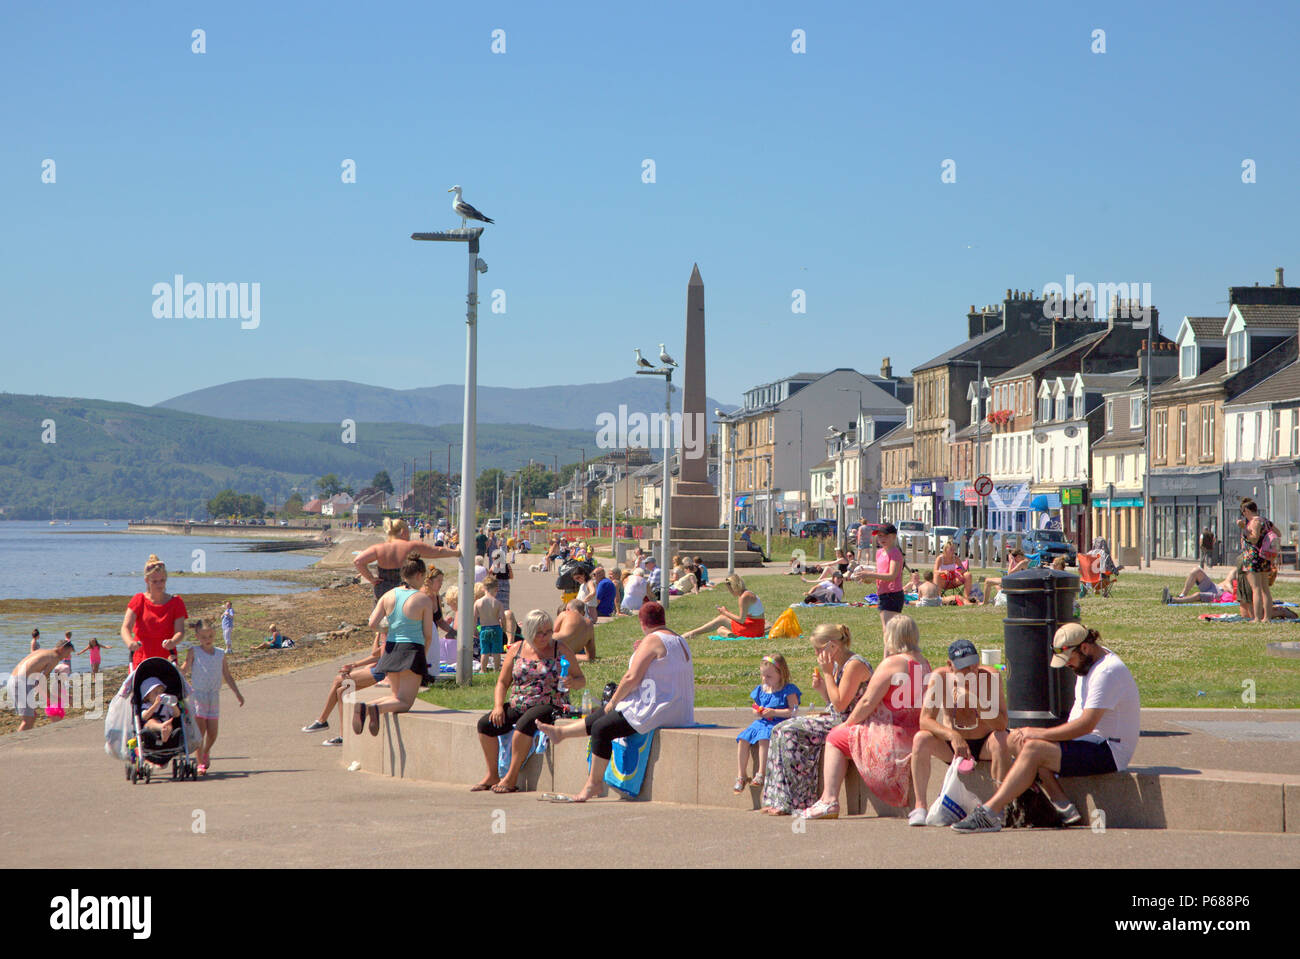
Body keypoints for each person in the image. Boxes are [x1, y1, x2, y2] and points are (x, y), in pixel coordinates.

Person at [952, 623, 1140, 833]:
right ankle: (1062, 803)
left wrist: (1038, 733)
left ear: (1085, 648)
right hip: (1087, 742)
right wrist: (1034, 735)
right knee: (1016, 738)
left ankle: (990, 813)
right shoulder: (1088, 664)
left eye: (1069, 659)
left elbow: (1086, 725)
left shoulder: (1107, 671)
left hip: (1109, 750)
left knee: (1033, 748)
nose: (1068, 665)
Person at [539, 601, 694, 803]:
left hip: (661, 709)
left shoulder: (653, 640)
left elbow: (631, 678)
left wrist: (613, 700)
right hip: (679, 708)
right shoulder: (677, 639)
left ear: (642, 622)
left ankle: (593, 784)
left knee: (602, 727)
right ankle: (561, 733)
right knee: (605, 713)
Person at [799, 615, 931, 819]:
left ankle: (829, 799)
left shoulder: (892, 663)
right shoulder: (923, 663)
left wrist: (848, 724)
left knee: (835, 737)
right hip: (915, 730)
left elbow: (868, 701)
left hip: (891, 732)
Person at [760, 624, 873, 816]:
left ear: (833, 645)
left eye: (819, 648)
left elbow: (841, 706)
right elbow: (834, 701)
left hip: (851, 722)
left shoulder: (854, 664)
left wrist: (827, 673)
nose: (816, 653)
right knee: (778, 729)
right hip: (837, 718)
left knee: (790, 731)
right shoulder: (838, 664)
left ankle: (801, 799)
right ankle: (779, 799)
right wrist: (822, 687)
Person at [473, 609, 585, 794]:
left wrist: (573, 682)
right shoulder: (516, 649)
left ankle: (511, 777)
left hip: (550, 702)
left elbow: (581, 679)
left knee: (525, 724)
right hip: (520, 702)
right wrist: (498, 706)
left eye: (548, 632)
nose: (545, 637)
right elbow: (502, 682)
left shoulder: (560, 649)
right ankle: (493, 774)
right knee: (486, 724)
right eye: (540, 633)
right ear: (529, 632)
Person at [909, 639, 1010, 825]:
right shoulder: (940, 678)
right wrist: (952, 735)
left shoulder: (990, 677)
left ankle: (997, 808)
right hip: (953, 746)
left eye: (974, 666)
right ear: (950, 665)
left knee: (1002, 738)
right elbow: (925, 720)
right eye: (964, 668)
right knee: (921, 738)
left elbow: (1002, 724)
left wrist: (978, 703)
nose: (971, 672)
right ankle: (919, 806)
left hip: (984, 742)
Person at [353, 555, 436, 736]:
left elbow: (372, 623)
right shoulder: (423, 599)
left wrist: (389, 627)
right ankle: (373, 709)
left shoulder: (388, 595)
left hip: (391, 649)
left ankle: (367, 708)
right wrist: (423, 655)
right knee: (405, 703)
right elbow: (428, 635)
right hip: (411, 650)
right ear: (420, 575)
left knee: (395, 698)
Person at [181, 619, 245, 775]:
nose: (207, 640)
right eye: (203, 637)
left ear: (214, 634)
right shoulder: (194, 651)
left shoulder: (220, 653)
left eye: (210, 636)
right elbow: (184, 669)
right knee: (200, 730)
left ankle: (206, 751)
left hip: (214, 695)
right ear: (197, 637)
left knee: (213, 731)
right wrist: (172, 668)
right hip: (199, 695)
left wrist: (237, 692)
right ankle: (199, 762)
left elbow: (227, 675)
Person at [735, 654, 801, 793]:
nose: (765, 679)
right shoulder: (762, 689)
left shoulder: (788, 689)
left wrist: (774, 712)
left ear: (781, 674)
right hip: (763, 721)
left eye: (769, 677)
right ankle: (741, 775)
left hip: (779, 721)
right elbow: (755, 707)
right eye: (763, 676)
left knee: (764, 739)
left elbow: (793, 711)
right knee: (743, 739)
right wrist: (758, 712)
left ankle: (761, 773)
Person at [353, 517, 460, 602]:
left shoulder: (379, 548)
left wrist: (371, 578)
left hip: (383, 591)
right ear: (403, 531)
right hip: (405, 591)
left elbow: (358, 561)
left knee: (383, 624)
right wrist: (456, 552)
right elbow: (438, 551)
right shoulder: (411, 546)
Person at [120, 555, 187, 669]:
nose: (159, 584)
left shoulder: (176, 602)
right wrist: (130, 643)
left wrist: (173, 641)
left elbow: (180, 631)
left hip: (167, 659)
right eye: (155, 581)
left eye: (162, 580)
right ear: (147, 580)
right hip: (141, 659)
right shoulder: (139, 600)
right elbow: (125, 628)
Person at [7, 639, 75, 731]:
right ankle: (18, 743)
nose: (68, 656)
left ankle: (23, 742)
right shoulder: (54, 657)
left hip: (13, 679)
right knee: (28, 720)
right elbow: (41, 682)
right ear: (62, 648)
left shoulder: (43, 651)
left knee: (32, 716)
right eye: (69, 652)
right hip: (21, 682)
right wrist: (51, 698)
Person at [681, 574, 765, 639]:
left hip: (753, 629)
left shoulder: (744, 597)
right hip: (757, 628)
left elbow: (741, 620)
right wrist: (726, 613)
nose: (730, 592)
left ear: (733, 587)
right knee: (720, 629)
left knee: (721, 619)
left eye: (729, 589)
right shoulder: (747, 593)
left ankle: (692, 633)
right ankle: (732, 635)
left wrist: (725, 613)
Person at [858, 522, 906, 630]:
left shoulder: (895, 553)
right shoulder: (879, 552)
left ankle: (890, 647)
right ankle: (889, 647)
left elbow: (891, 575)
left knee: (890, 630)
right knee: (886, 629)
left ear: (893, 536)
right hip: (882, 594)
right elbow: (879, 574)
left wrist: (870, 574)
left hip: (893, 595)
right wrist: (866, 578)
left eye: (886, 535)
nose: (882, 538)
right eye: (879, 536)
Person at [1237, 498, 1278, 624]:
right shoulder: (1266, 521)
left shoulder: (1254, 522)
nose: (1244, 515)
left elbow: (1253, 539)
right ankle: (1267, 618)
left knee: (1256, 589)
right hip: (1265, 557)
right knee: (1265, 588)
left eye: (1244, 512)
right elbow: (1278, 533)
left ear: (1248, 510)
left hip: (1253, 557)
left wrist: (1245, 529)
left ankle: (1257, 618)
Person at [475, 577, 506, 673]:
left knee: (484, 651)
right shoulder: (497, 603)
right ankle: (496, 669)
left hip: (484, 629)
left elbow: (474, 618)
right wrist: (504, 628)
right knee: (496, 651)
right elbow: (502, 618)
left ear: (483, 588)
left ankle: (483, 669)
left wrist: (475, 629)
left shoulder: (478, 602)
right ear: (496, 589)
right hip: (496, 628)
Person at [1162, 567, 1235, 605]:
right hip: (1216, 587)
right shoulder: (1237, 570)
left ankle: (1172, 600)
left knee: (1198, 595)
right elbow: (1228, 582)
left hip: (1220, 595)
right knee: (1196, 571)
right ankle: (1182, 595)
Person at [139, 677, 180, 742]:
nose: (159, 695)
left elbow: (176, 714)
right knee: (151, 722)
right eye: (155, 693)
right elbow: (144, 717)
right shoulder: (146, 705)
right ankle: (161, 727)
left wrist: (173, 705)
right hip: (151, 730)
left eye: (161, 692)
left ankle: (165, 738)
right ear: (147, 697)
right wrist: (155, 704)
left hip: (165, 725)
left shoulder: (166, 705)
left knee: (169, 725)